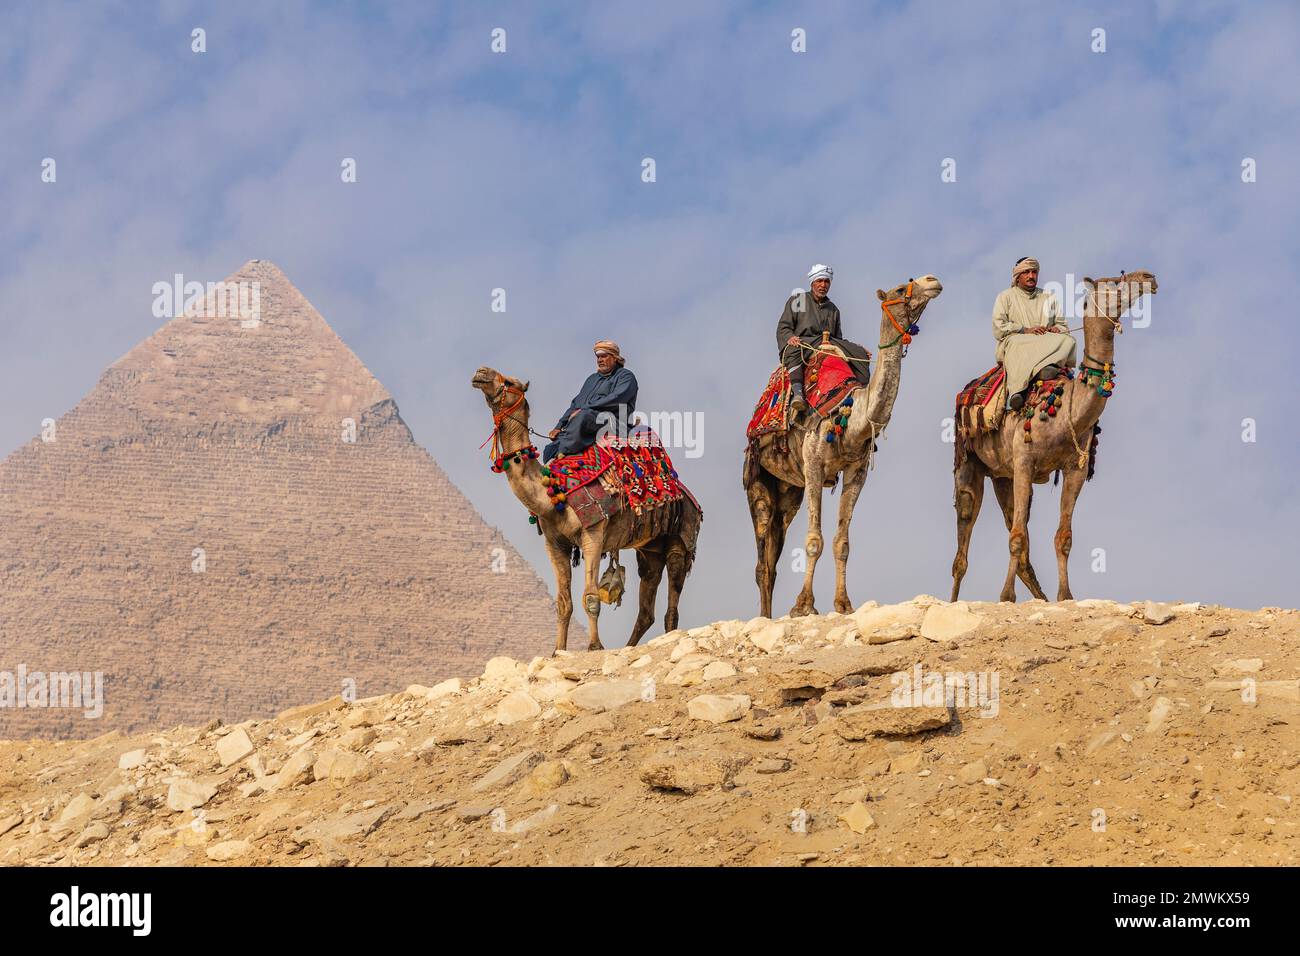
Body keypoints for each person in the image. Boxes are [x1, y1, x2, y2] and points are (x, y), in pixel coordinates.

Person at [776, 264, 871, 414]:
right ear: (812, 282)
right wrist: (790, 337)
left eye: (826, 282)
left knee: (860, 354)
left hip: (828, 342)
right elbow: (784, 327)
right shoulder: (798, 300)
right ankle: (798, 393)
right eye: (819, 281)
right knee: (793, 348)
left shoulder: (833, 309)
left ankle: (862, 395)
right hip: (805, 343)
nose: (823, 285)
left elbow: (837, 338)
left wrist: (853, 347)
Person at [993, 256, 1076, 410]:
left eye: (1034, 272)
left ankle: (1045, 369)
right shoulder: (1005, 297)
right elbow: (999, 327)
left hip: (1045, 341)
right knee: (1016, 343)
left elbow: (1063, 325)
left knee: (1069, 341)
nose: (1031, 276)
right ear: (1018, 276)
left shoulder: (1049, 297)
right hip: (1019, 341)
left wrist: (1056, 329)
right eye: (1027, 272)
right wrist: (1025, 330)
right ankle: (1018, 391)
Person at [542, 340, 639, 462]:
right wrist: (559, 426)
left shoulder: (625, 376)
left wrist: (585, 409)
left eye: (604, 356)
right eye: (598, 357)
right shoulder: (592, 379)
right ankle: (552, 460)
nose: (599, 360)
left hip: (615, 423)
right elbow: (576, 404)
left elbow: (617, 398)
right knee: (552, 444)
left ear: (615, 358)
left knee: (584, 416)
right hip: (584, 421)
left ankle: (563, 452)